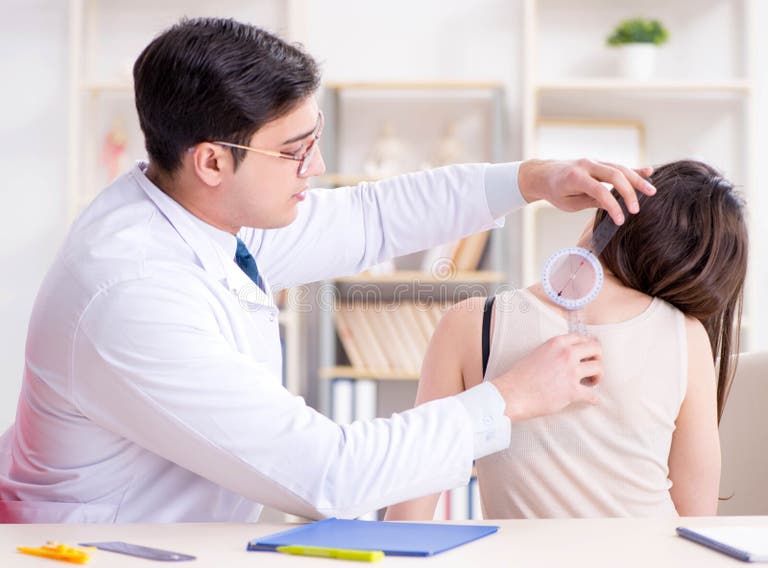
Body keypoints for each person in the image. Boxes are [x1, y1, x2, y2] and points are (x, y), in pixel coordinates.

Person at [0, 17, 656, 524]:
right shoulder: (133, 294)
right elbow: (331, 475)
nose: (315, 167)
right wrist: (509, 398)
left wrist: (533, 179)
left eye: (314, 140)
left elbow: (371, 217)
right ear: (212, 162)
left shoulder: (203, 209)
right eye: (296, 150)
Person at [386, 160, 748, 520]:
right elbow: (696, 521)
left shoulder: (469, 324)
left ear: (606, 212)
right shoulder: (686, 336)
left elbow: (406, 521)